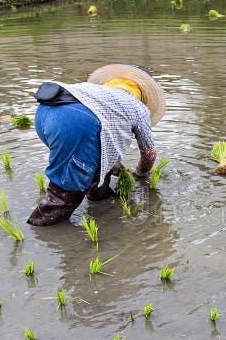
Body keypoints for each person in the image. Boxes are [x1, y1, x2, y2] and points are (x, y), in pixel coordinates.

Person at [27, 64, 166, 226]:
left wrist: (117, 167)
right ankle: (39, 231)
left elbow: (107, 141)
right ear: (142, 96)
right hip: (74, 123)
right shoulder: (138, 108)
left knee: (91, 158)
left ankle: (100, 195)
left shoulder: (95, 92)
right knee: (64, 193)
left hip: (44, 112)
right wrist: (140, 174)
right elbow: (149, 154)